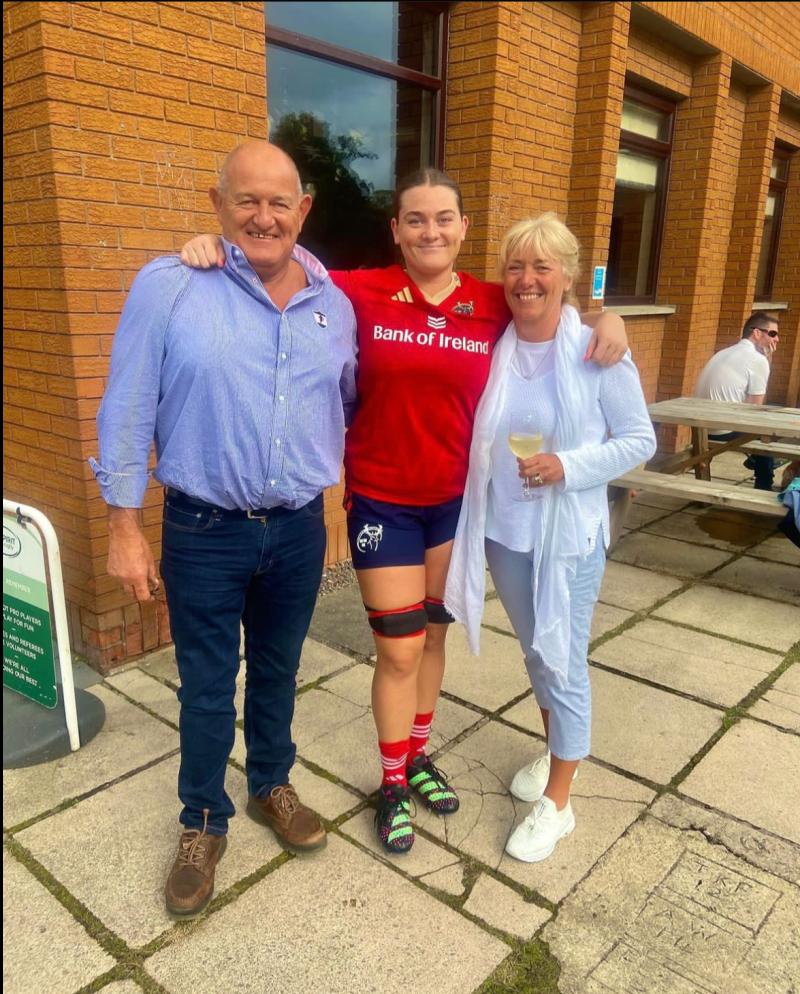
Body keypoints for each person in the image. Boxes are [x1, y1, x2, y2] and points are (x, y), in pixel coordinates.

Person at [180, 171, 629, 855]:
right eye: (415, 219)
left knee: (436, 640)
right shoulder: (359, 291)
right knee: (399, 649)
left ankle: (418, 756)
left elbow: (555, 310)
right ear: (396, 230)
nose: (430, 231)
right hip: (384, 501)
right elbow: (282, 257)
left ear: (462, 228)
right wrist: (215, 248)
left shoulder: (492, 300)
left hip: (457, 506)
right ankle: (391, 780)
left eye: (443, 218)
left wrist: (610, 317)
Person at [90, 141, 358, 918]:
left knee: (278, 670)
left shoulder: (331, 304)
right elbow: (127, 406)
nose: (263, 217)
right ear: (218, 204)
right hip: (204, 530)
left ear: (303, 211)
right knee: (208, 688)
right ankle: (203, 820)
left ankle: (271, 783)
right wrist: (124, 525)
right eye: (247, 201)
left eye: (280, 202)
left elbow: (338, 403)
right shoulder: (170, 286)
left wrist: (333, 502)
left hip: (298, 529)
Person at [445, 213, 656, 863]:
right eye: (515, 265)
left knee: (561, 659)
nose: (527, 279)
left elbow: (639, 440)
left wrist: (569, 466)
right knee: (538, 657)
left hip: (568, 537)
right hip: (507, 533)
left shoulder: (596, 352)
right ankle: (555, 750)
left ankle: (560, 803)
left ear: (567, 275)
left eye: (542, 266)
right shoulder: (498, 342)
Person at [694, 312, 780, 490]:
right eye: (772, 333)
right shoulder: (758, 360)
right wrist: (767, 362)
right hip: (722, 429)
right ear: (756, 333)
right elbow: (754, 409)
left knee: (761, 433)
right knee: (767, 436)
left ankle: (754, 460)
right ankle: (763, 488)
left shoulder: (724, 352)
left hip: (700, 427)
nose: (777, 339)